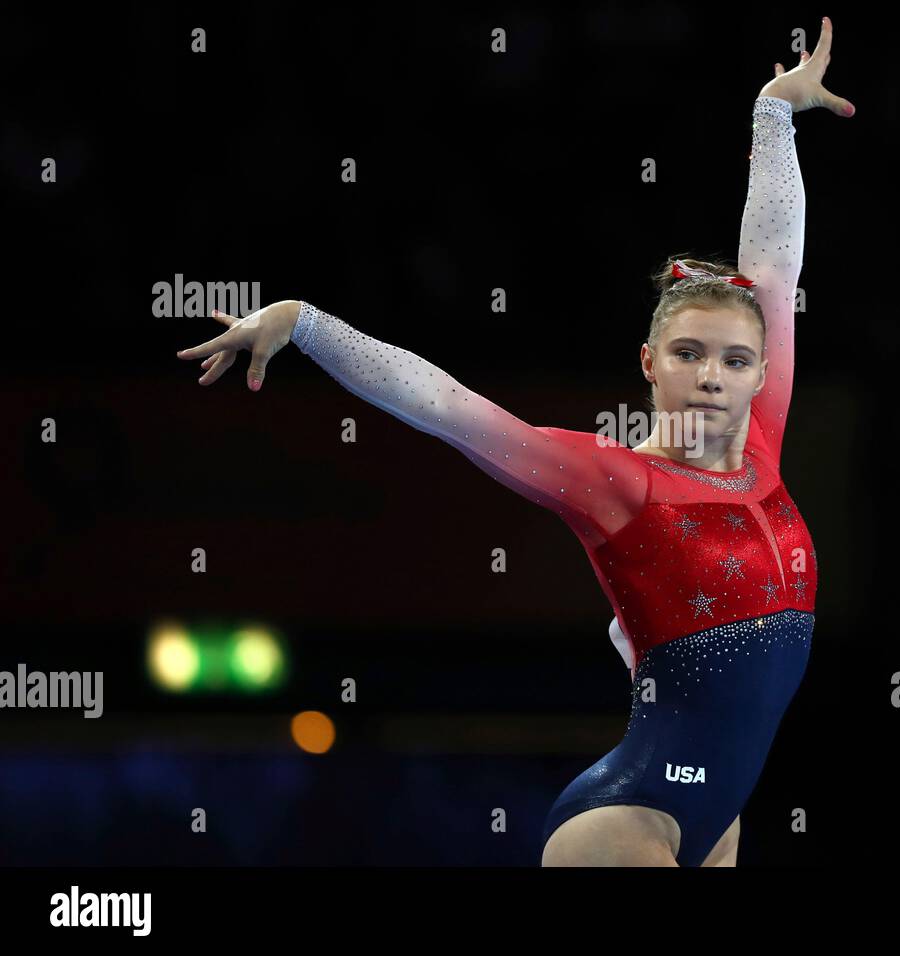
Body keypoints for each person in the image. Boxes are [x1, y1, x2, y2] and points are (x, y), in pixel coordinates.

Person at [177, 17, 853, 865]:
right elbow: (451, 407)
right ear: (649, 363)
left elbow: (773, 268)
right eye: (688, 354)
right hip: (625, 820)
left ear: (761, 374)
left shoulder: (763, 443)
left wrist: (772, 113)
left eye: (734, 358)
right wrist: (306, 324)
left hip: (722, 818)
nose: (712, 375)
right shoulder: (616, 481)